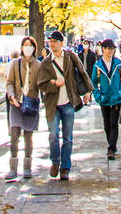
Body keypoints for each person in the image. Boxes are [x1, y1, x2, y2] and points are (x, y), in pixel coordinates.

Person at [36, 29, 93, 181]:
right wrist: (54, 84)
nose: (52, 44)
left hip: (68, 102)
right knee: (53, 135)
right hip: (52, 104)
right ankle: (55, 161)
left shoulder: (70, 56)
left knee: (68, 137)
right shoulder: (46, 62)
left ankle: (65, 167)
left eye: (55, 41)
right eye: (50, 41)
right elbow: (41, 84)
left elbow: (82, 72)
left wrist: (88, 91)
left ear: (62, 43)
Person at [5, 36, 41, 180]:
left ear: (34, 48)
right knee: (14, 136)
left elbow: (42, 83)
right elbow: (9, 82)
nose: (27, 47)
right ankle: (13, 168)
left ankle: (27, 167)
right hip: (16, 104)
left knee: (28, 136)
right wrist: (12, 96)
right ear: (21, 47)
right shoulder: (16, 63)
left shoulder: (38, 65)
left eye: (30, 45)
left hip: (31, 104)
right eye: (25, 45)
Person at [91, 38, 121, 159]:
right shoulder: (98, 66)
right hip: (104, 99)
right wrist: (98, 96)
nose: (110, 51)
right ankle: (111, 144)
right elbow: (93, 83)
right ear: (103, 49)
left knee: (113, 123)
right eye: (108, 49)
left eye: (112, 49)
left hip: (116, 99)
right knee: (107, 125)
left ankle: (111, 148)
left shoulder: (118, 64)